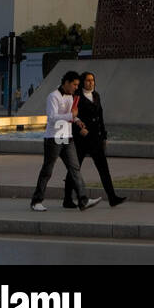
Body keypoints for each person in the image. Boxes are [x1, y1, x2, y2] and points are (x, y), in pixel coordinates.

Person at [30, 71, 101, 212]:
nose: (76, 87)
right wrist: (71, 115)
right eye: (74, 84)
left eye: (77, 85)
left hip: (67, 137)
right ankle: (36, 201)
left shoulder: (71, 97)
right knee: (47, 170)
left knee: (75, 169)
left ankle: (83, 200)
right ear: (66, 82)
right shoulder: (53, 96)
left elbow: (72, 116)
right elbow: (51, 118)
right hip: (54, 137)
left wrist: (78, 120)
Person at [63, 71, 125, 208]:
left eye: (93, 80)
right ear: (82, 82)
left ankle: (112, 197)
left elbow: (100, 116)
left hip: (96, 138)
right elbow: (71, 116)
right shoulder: (76, 96)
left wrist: (104, 136)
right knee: (74, 169)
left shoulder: (96, 96)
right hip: (82, 139)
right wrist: (80, 130)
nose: (91, 83)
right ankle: (67, 199)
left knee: (103, 168)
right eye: (88, 80)